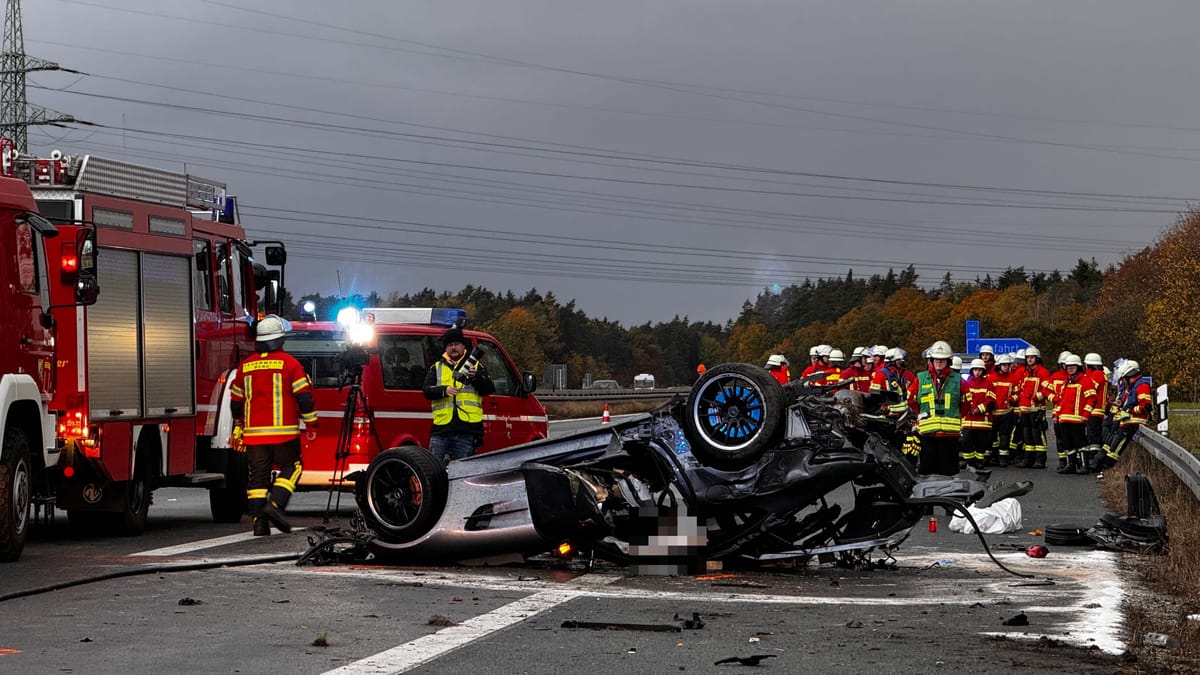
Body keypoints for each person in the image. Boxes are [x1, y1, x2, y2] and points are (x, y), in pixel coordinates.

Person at [229, 314, 317, 536]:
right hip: (284, 434)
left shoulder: (245, 367)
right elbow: (304, 398)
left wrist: (239, 425)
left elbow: (236, 402)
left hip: (253, 435)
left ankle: (259, 523)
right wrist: (311, 422)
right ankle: (275, 506)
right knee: (292, 467)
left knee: (258, 478)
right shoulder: (290, 364)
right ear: (280, 340)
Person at [423, 327, 495, 464]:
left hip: (467, 430)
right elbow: (426, 390)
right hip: (441, 430)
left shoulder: (476, 366)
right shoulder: (437, 367)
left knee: (462, 472)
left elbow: (488, 389)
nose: (453, 348)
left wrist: (476, 378)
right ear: (445, 348)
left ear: (463, 346)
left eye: (456, 344)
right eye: (450, 345)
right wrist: (444, 390)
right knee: (433, 471)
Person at [909, 340, 964, 476]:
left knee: (949, 472)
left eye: (942, 360)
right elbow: (911, 400)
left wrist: (957, 416)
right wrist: (920, 414)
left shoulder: (958, 380)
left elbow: (966, 403)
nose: (939, 362)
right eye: (936, 359)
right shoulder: (921, 378)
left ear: (948, 361)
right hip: (928, 434)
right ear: (931, 360)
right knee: (928, 471)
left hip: (950, 434)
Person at [1051, 354, 1096, 474]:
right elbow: (1062, 401)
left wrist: (1086, 415)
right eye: (1068, 366)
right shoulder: (1067, 382)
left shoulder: (1085, 381)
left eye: (1073, 366)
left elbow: (1091, 399)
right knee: (1067, 443)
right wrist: (1057, 415)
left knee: (1080, 442)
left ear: (1078, 367)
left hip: (1078, 419)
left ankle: (1084, 465)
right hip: (1064, 418)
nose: (1070, 368)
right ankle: (1071, 464)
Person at [961, 358, 995, 470]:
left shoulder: (988, 384)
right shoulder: (966, 383)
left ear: (983, 371)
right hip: (968, 420)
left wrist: (979, 409)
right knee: (966, 442)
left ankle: (979, 461)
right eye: (975, 370)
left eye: (979, 370)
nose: (977, 372)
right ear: (972, 371)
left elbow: (991, 401)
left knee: (981, 443)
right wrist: (969, 408)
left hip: (982, 422)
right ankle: (969, 461)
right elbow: (963, 399)